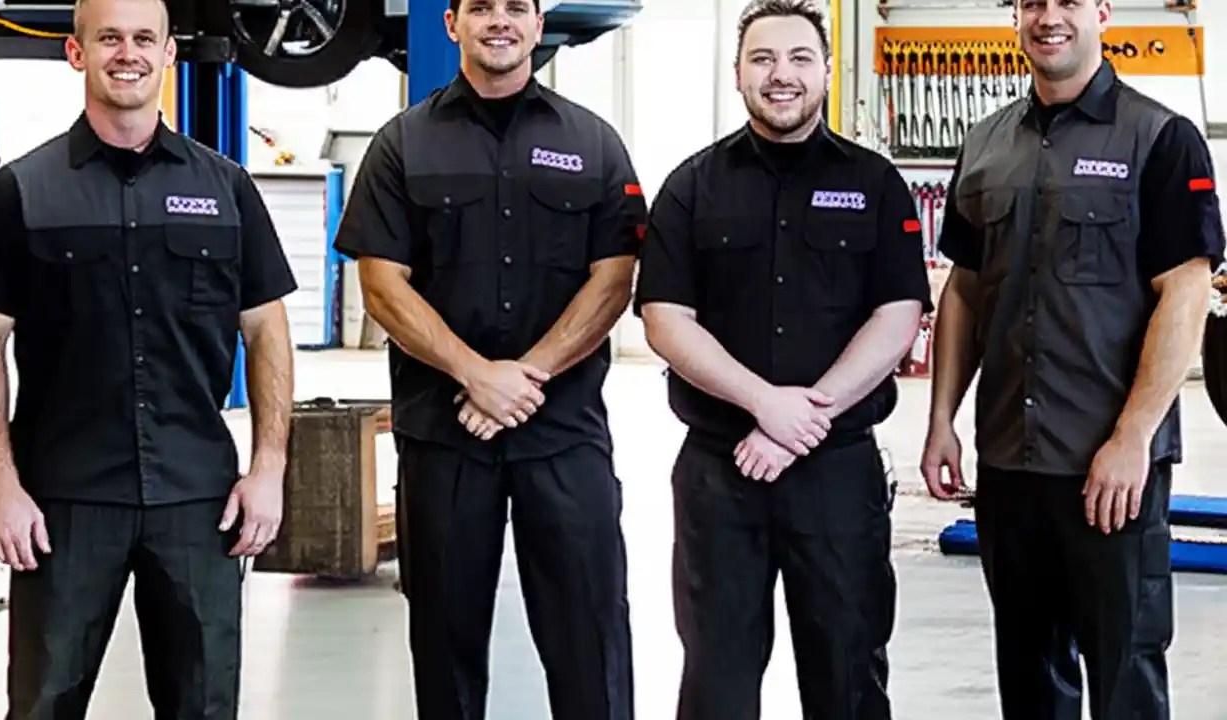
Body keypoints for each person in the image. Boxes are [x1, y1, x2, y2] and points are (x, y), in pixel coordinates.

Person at [0, 0, 299, 716]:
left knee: (203, 704)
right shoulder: (24, 190)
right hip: (64, 500)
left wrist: (269, 469)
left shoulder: (226, 188)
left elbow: (266, 331)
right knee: (44, 702)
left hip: (198, 498)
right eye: (109, 38)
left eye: (145, 38)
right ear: (77, 54)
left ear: (169, 55)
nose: (127, 53)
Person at [330, 0, 645, 718]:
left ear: (539, 24)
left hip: (562, 431)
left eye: (516, 7)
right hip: (445, 433)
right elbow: (380, 283)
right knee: (443, 638)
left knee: (590, 635)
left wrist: (523, 378)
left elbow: (614, 277)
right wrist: (477, 376)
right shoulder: (401, 144)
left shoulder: (594, 142)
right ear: (451, 25)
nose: (497, 20)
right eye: (480, 7)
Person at [920, 0, 1225, 717]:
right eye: (1032, 3)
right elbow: (964, 290)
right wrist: (941, 420)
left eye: (1067, 2)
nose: (1047, 17)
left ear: (1102, 14)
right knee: (1028, 674)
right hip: (1008, 463)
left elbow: (1184, 294)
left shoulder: (1161, 137)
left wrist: (1132, 438)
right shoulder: (986, 142)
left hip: (1108, 468)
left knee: (1124, 674)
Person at [634, 1, 932, 717]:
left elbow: (899, 315)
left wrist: (805, 415)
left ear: (827, 72)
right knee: (717, 677)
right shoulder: (691, 186)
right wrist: (763, 404)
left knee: (849, 672)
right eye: (763, 59)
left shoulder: (875, 183)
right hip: (720, 473)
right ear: (738, 74)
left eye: (800, 58)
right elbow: (665, 319)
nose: (782, 75)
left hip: (836, 472)